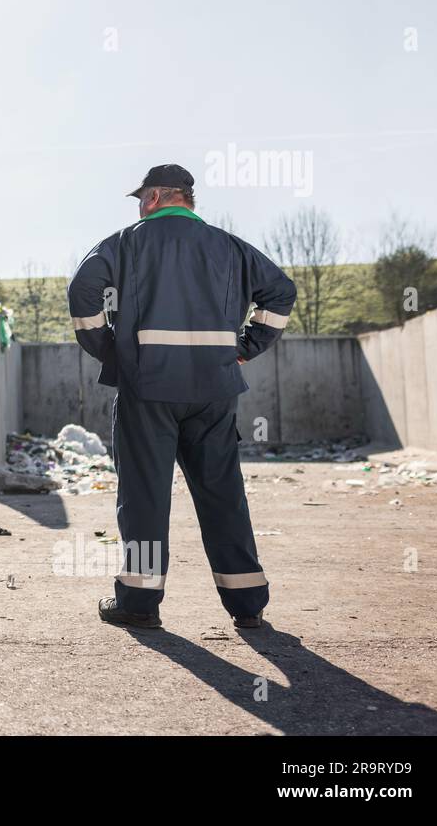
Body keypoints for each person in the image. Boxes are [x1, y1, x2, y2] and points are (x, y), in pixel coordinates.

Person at [67, 163, 297, 630]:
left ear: (153, 197)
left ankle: (139, 603)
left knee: (145, 494)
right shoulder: (229, 247)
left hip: (148, 388)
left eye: (140, 199)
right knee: (222, 492)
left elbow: (83, 288)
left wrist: (112, 352)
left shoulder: (126, 242)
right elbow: (280, 292)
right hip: (213, 388)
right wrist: (245, 348)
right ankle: (247, 602)